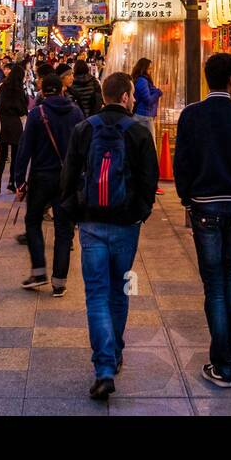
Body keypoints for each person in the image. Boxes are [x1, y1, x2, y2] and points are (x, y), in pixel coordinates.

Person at [60, 72, 159, 402]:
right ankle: (114, 354)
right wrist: (140, 212)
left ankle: (103, 367)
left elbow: (69, 175)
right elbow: (149, 180)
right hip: (126, 226)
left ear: (105, 95)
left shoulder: (84, 129)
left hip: (90, 226)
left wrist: (75, 211)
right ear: (128, 97)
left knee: (97, 294)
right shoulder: (139, 132)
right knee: (121, 290)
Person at [173, 52, 231, 388]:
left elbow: (181, 161)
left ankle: (223, 363)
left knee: (214, 283)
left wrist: (186, 198)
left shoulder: (192, 116)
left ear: (206, 78)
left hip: (203, 207)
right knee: (228, 275)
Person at [15, 73, 83, 296]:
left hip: (41, 177)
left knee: (33, 220)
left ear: (43, 91)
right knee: (63, 230)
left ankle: (38, 271)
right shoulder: (76, 112)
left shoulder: (37, 114)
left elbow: (25, 149)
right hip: (67, 179)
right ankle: (59, 282)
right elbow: (82, 147)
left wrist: (19, 180)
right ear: (62, 89)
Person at [0, 61, 27, 196]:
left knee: (2, 155)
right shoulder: (19, 90)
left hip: (2, 124)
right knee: (14, 156)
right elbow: (23, 110)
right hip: (15, 125)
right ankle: (12, 182)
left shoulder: (3, 86)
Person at [131, 57, 162, 138]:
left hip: (142, 115)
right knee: (151, 145)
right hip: (144, 116)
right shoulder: (142, 81)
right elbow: (148, 100)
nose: (150, 71)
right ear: (144, 69)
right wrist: (158, 92)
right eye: (149, 69)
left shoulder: (141, 80)